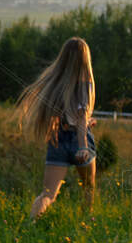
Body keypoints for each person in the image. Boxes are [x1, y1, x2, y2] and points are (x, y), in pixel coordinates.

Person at [19, 37, 98, 219]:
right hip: (80, 139)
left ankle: (30, 224)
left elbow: (61, 116)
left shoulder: (56, 83)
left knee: (48, 194)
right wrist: (83, 145)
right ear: (85, 59)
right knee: (88, 189)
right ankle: (85, 225)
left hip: (58, 139)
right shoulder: (87, 84)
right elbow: (80, 117)